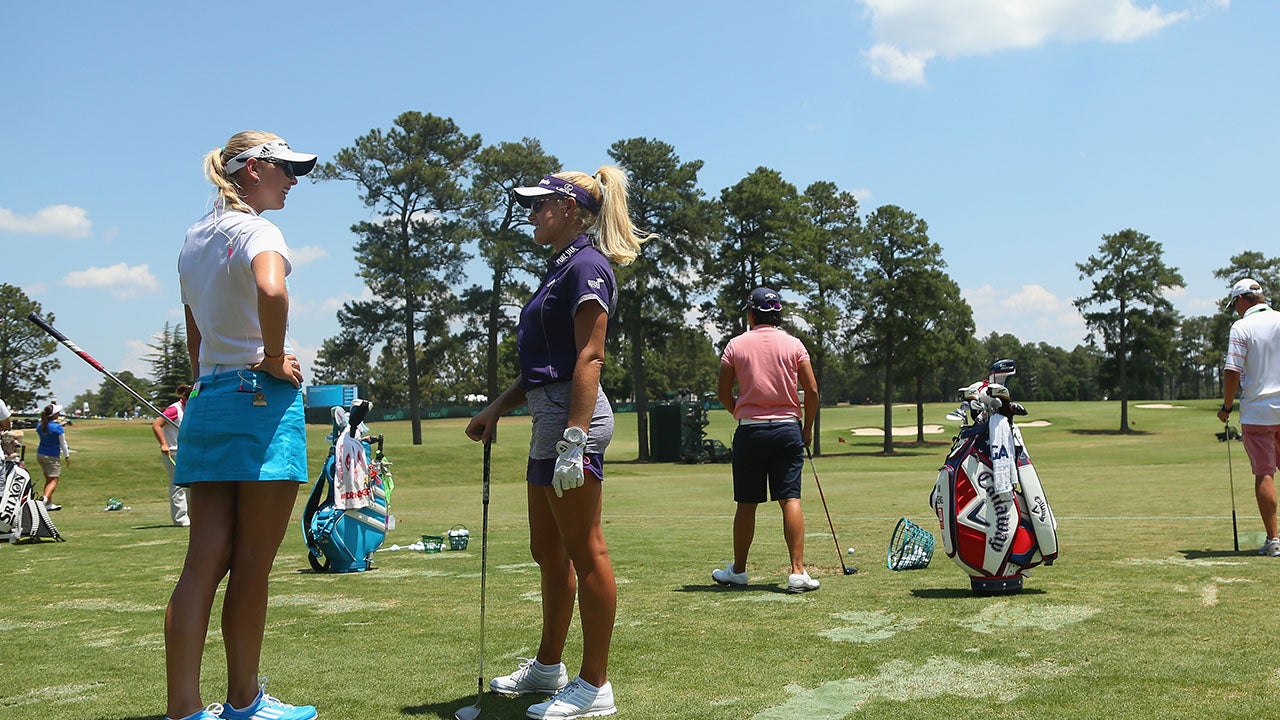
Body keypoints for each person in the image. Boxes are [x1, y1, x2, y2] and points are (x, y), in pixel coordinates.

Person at [464, 167, 652, 720]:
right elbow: (543, 364)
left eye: (541, 203)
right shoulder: (559, 268)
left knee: (584, 549)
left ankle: (595, 684)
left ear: (570, 208)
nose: (531, 212)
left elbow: (588, 358)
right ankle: (549, 666)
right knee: (546, 549)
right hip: (550, 415)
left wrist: (574, 437)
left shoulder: (589, 266)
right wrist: (497, 407)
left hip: (577, 418)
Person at [163, 131, 316, 720]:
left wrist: (211, 374)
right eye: (285, 169)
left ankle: (184, 710)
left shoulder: (192, 239)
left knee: (202, 561)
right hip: (260, 400)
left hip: (209, 397)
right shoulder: (258, 229)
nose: (293, 181)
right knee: (252, 562)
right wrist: (275, 356)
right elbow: (271, 289)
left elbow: (194, 330)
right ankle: (245, 701)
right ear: (252, 169)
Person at [712, 287, 821, 593]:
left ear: (750, 314)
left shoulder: (735, 345)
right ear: (777, 315)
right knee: (790, 499)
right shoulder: (794, 344)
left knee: (746, 503)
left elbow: (723, 392)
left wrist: (742, 414)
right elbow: (812, 392)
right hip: (788, 429)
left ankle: (739, 570)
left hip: (750, 432)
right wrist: (807, 429)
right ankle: (798, 572)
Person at [1218, 277, 1280, 557]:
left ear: (1242, 300)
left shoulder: (1241, 327)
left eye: (1235, 305)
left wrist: (1226, 407)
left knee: (1265, 472)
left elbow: (1232, 371)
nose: (1235, 310)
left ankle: (1274, 540)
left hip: (1258, 412)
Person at [152, 384, 192, 527]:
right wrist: (164, 444)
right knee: (177, 485)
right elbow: (157, 424)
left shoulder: (191, 409)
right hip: (174, 451)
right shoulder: (175, 409)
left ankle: (192, 516)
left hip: (188, 451)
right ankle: (180, 519)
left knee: (192, 485)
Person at [35, 403, 71, 510]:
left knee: (48, 480)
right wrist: (67, 455)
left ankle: (49, 504)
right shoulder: (57, 428)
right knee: (54, 480)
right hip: (52, 456)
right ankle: (45, 499)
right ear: (54, 415)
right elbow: (63, 443)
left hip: (40, 454)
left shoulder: (40, 425)